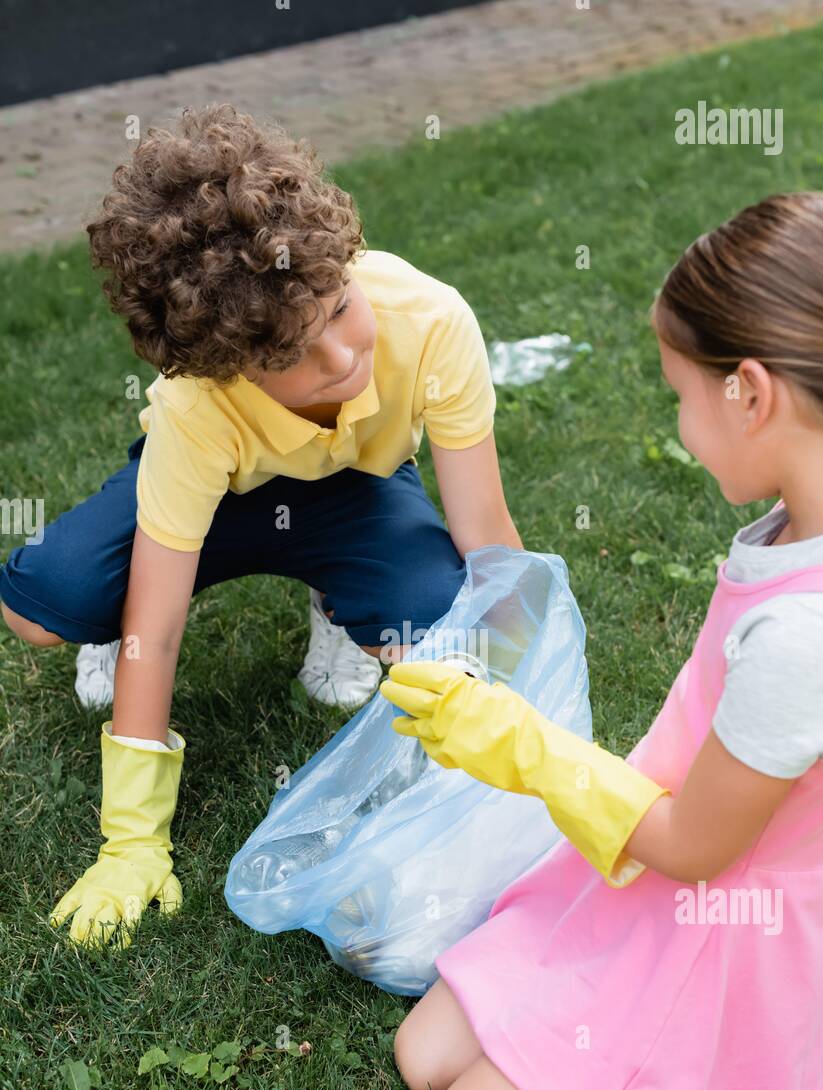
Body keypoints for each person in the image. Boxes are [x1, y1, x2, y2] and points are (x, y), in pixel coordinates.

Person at [381, 191, 823, 1090]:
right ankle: (603, 1074)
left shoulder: (819, 635)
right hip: (647, 869)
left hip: (720, 925)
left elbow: (695, 847)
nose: (678, 425)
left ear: (750, 393)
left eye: (678, 395)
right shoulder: (820, 514)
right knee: (423, 1055)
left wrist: (526, 750)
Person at [0, 104, 521, 946]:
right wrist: (131, 843)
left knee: (433, 635)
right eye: (291, 358)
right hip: (216, 501)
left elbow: (487, 537)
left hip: (356, 490)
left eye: (341, 310)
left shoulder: (429, 318)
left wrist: (527, 707)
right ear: (223, 363)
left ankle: (338, 600)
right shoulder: (195, 406)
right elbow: (159, 627)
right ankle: (99, 611)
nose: (342, 361)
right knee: (39, 607)